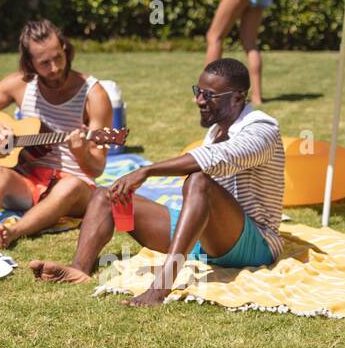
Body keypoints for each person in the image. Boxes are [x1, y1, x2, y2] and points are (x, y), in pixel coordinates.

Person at [30, 58, 285, 307]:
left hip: (256, 244)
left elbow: (217, 158)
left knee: (198, 182)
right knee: (109, 196)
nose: (198, 100)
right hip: (209, 240)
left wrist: (147, 171)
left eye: (209, 96)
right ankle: (79, 268)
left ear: (238, 97)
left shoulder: (262, 129)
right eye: (199, 92)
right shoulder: (217, 129)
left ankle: (160, 288)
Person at [0, 19, 115, 249]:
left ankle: (13, 231)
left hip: (76, 188)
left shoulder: (94, 95)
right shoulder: (21, 84)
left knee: (70, 185)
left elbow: (97, 169)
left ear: (65, 48)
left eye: (58, 57)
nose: (55, 68)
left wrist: (82, 151)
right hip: (29, 181)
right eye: (45, 63)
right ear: (30, 63)